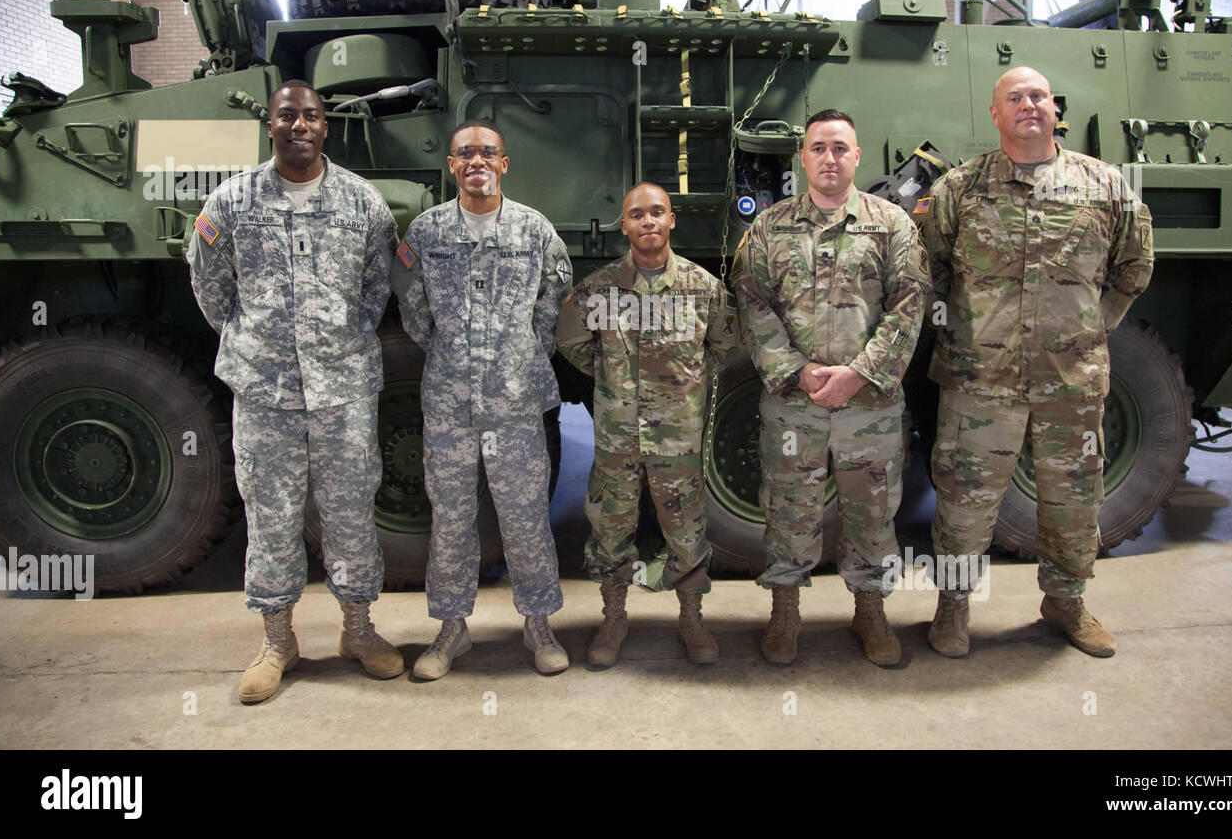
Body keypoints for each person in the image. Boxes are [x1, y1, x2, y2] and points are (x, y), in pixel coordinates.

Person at [914, 65, 1154, 658]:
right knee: (964, 502)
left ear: (1055, 109)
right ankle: (953, 607)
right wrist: (962, 332)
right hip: (980, 382)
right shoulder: (959, 191)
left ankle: (1066, 601)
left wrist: (1094, 325)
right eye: (1014, 98)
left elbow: (1135, 265)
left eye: (1039, 96)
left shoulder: (1105, 185)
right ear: (994, 115)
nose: (1028, 105)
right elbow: (930, 271)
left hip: (1071, 382)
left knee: (1073, 499)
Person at [186, 80, 404, 704]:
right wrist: (255, 342)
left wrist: (342, 340)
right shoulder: (230, 202)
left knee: (350, 514)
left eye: (311, 115)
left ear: (325, 125)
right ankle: (278, 642)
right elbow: (209, 289)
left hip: (342, 389)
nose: (300, 125)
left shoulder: (362, 203)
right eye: (288, 116)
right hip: (264, 390)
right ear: (272, 125)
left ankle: (359, 632)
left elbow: (374, 288)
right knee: (271, 517)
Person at [733, 108, 929, 666]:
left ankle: (871, 610)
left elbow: (910, 303)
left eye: (840, 148)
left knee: (872, 512)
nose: (829, 158)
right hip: (794, 404)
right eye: (819, 147)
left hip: (868, 405)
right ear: (803, 158)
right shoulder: (771, 227)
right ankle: (785, 612)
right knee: (788, 510)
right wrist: (795, 369)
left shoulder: (892, 223)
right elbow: (751, 302)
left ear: (857, 156)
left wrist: (859, 373)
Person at [391, 119, 572, 678]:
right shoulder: (426, 233)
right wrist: (452, 353)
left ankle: (539, 625)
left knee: (524, 518)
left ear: (503, 163)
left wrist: (522, 352)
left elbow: (556, 297)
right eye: (465, 154)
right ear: (451, 165)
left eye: (487, 153)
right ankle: (451, 629)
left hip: (516, 403)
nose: (476, 162)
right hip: (449, 404)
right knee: (450, 519)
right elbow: (412, 307)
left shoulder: (534, 230)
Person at [557, 183, 739, 668]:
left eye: (657, 212)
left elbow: (724, 347)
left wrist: (680, 389)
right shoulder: (598, 290)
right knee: (611, 528)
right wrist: (615, 381)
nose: (648, 221)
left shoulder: (703, 289)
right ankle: (614, 618)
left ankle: (692, 618)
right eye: (638, 215)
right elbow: (572, 342)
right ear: (625, 226)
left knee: (686, 526)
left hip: (676, 438)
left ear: (672, 220)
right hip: (618, 436)